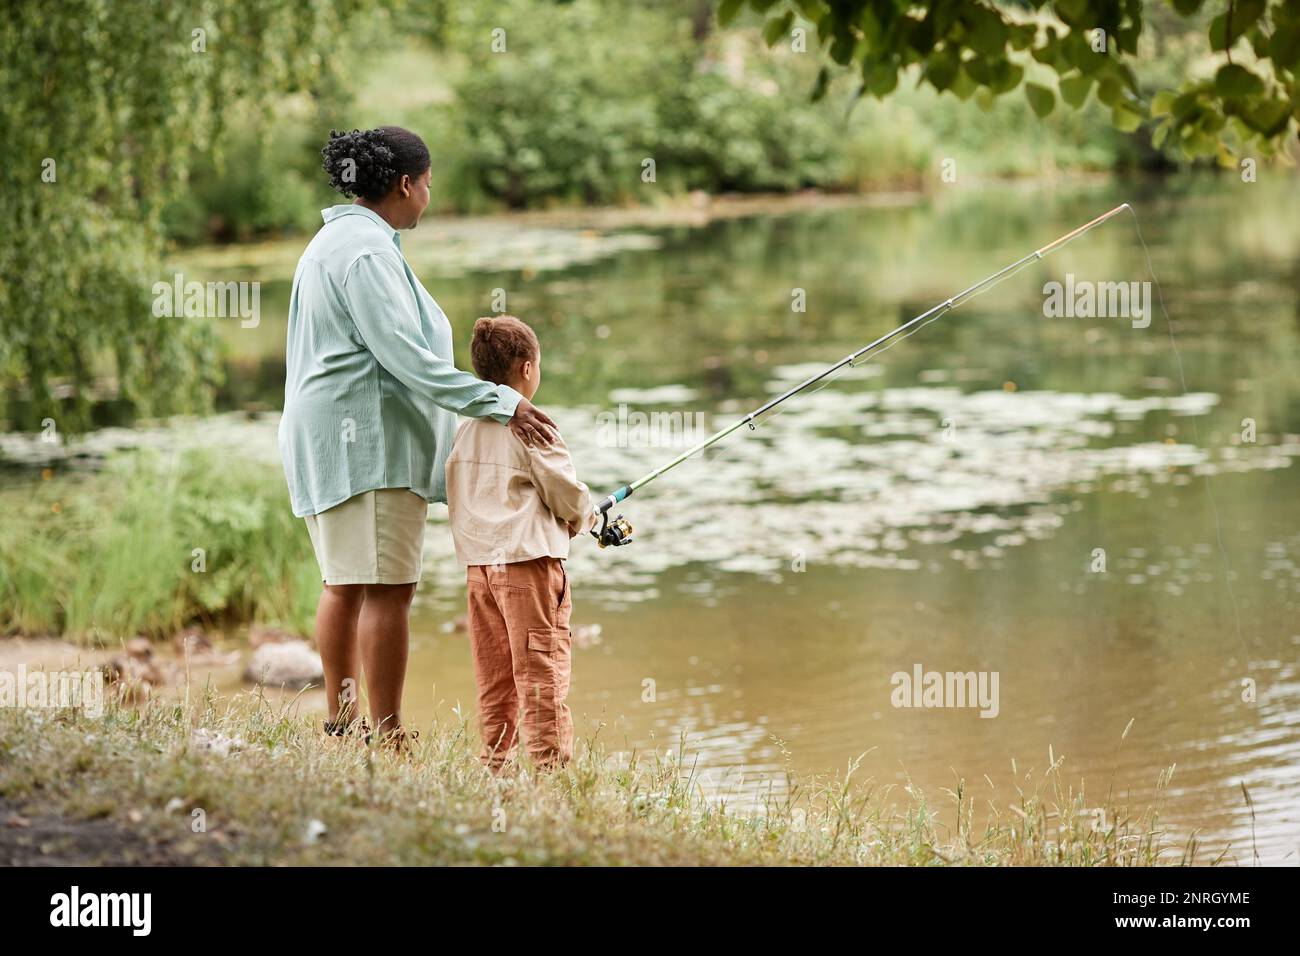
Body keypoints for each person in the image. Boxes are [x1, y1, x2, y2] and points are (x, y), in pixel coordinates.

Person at [277, 127, 559, 752]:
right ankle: (385, 731)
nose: (429, 198)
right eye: (427, 185)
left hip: (333, 439)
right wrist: (499, 401)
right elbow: (406, 358)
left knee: (345, 581)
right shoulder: (367, 255)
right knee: (385, 588)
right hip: (366, 445)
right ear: (404, 184)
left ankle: (343, 723)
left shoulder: (341, 239)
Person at [444, 315, 596, 770]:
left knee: (496, 679)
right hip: (527, 567)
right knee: (541, 677)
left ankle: (497, 770)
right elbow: (565, 493)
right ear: (528, 368)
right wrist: (587, 517)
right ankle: (550, 776)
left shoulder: (465, 427)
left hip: (479, 572)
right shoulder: (531, 424)